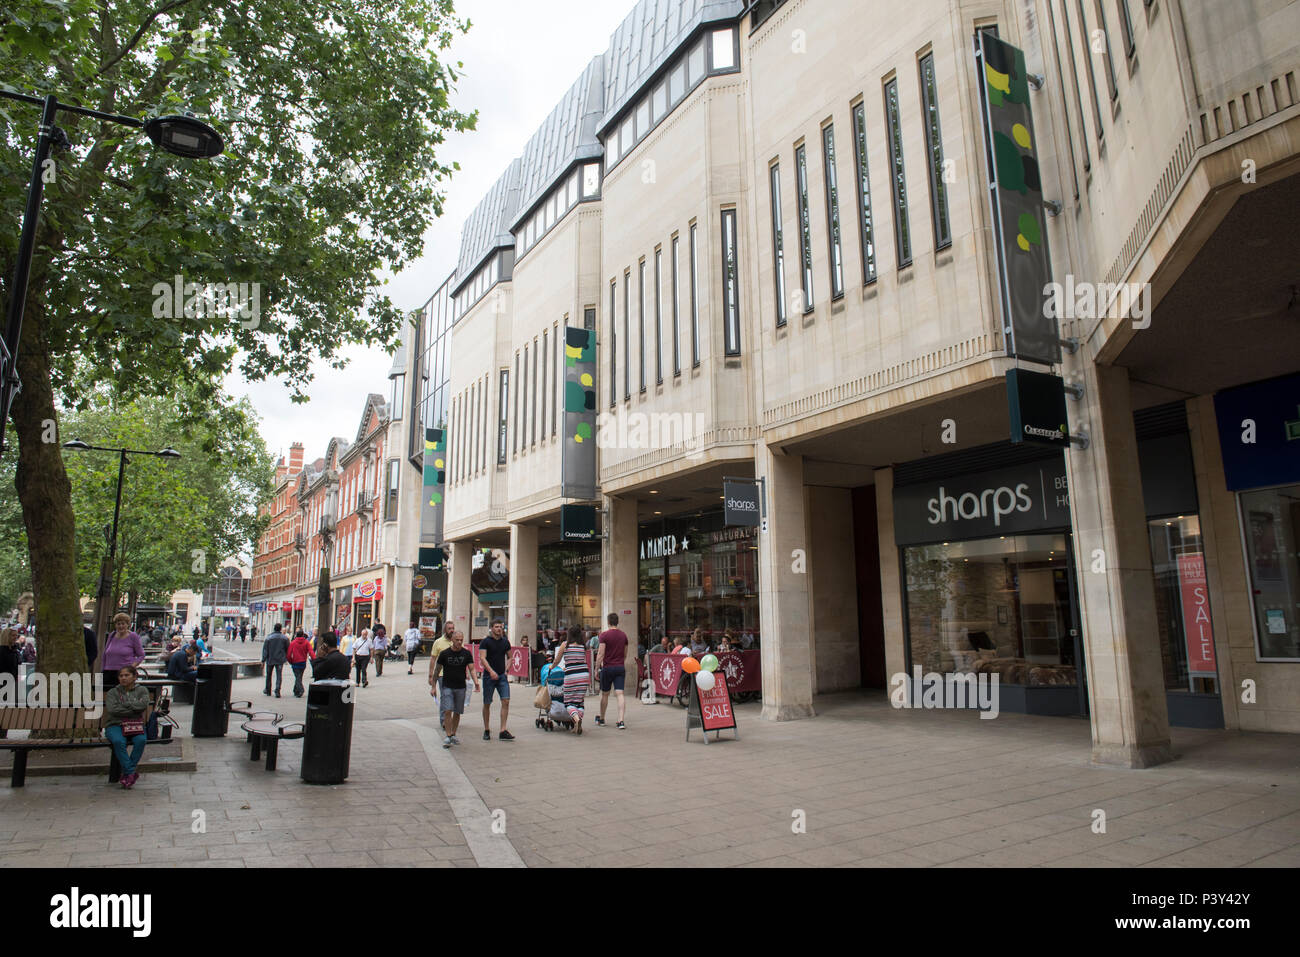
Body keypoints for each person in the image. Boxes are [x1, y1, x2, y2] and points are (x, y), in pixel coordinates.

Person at [104, 665, 151, 789]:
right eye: (121, 676)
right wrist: (133, 709)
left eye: (126, 675)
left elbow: (143, 706)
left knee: (141, 740)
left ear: (135, 676)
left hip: (135, 725)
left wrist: (125, 705)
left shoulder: (142, 691)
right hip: (115, 724)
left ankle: (127, 773)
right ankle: (130, 772)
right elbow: (113, 710)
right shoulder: (113, 692)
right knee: (119, 741)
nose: (123, 678)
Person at [431, 631, 478, 748]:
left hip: (461, 687)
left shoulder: (466, 653)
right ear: (452, 640)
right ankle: (448, 735)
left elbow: (472, 669)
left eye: (461, 640)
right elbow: (437, 671)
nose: (459, 642)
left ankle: (453, 734)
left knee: (457, 711)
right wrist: (433, 686)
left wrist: (476, 682)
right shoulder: (444, 654)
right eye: (457, 640)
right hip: (447, 686)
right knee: (448, 710)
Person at [478, 618, 514, 742]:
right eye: (497, 626)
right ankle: (486, 729)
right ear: (492, 628)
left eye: (501, 627)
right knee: (487, 702)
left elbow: (510, 657)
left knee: (506, 701)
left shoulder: (505, 642)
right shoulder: (485, 642)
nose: (499, 629)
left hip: (501, 676)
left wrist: (506, 670)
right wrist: (491, 671)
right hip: (489, 677)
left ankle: (503, 730)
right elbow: (483, 658)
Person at [553, 624, 590, 734]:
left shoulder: (565, 645)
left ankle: (577, 719)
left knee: (569, 702)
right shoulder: (583, 646)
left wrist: (551, 667)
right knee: (580, 701)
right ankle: (577, 724)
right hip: (584, 674)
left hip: (571, 675)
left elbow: (557, 660)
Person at [595, 612, 629, 730]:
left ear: (608, 622)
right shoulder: (623, 636)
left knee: (605, 694)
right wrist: (620, 661)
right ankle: (621, 721)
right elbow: (625, 653)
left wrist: (596, 668)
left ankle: (602, 718)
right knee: (620, 694)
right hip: (620, 667)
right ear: (617, 622)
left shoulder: (604, 635)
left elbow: (600, 654)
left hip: (608, 668)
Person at [101, 613, 145, 691]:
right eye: (118, 624)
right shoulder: (112, 635)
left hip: (124, 674)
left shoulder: (133, 636)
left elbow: (141, 655)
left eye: (123, 624)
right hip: (108, 672)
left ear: (128, 625)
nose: (121, 626)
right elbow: (105, 654)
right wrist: (103, 670)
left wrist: (131, 667)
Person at [426, 622, 456, 730]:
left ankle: (449, 718)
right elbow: (433, 659)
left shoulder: (456, 641)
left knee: (453, 697)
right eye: (449, 628)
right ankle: (444, 720)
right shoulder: (438, 642)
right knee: (445, 696)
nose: (451, 630)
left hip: (455, 674)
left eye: (453, 628)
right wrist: (430, 675)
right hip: (442, 674)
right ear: (445, 630)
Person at [0, 629, 21, 737]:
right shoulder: (2, 651)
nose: (15, 637)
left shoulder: (15, 650)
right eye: (13, 635)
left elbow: (18, 665)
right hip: (2, 683)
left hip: (11, 683)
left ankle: (3, 734)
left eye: (16, 635)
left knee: (8, 710)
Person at [262, 623, 290, 697]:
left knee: (269, 675)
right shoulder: (284, 638)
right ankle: (277, 691)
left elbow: (265, 650)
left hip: (270, 659)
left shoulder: (269, 638)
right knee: (279, 675)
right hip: (280, 659)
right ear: (280, 629)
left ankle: (268, 690)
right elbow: (288, 649)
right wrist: (286, 658)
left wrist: (263, 660)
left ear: (274, 628)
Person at [287, 629, 315, 697]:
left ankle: (300, 690)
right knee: (299, 677)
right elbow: (311, 651)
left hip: (295, 662)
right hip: (302, 663)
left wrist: (291, 661)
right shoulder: (306, 642)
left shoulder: (293, 643)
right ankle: (295, 690)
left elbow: (288, 654)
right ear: (303, 635)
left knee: (298, 677)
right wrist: (314, 659)